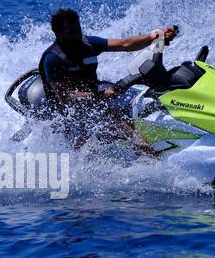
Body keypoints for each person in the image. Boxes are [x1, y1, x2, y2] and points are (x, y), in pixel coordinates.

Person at [39, 8, 178, 152]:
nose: (77, 35)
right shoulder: (53, 59)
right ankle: (151, 156)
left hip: (95, 97)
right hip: (68, 112)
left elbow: (125, 44)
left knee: (141, 98)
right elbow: (66, 98)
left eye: (78, 29)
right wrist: (101, 96)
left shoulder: (87, 44)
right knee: (116, 120)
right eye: (71, 33)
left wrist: (154, 37)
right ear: (58, 34)